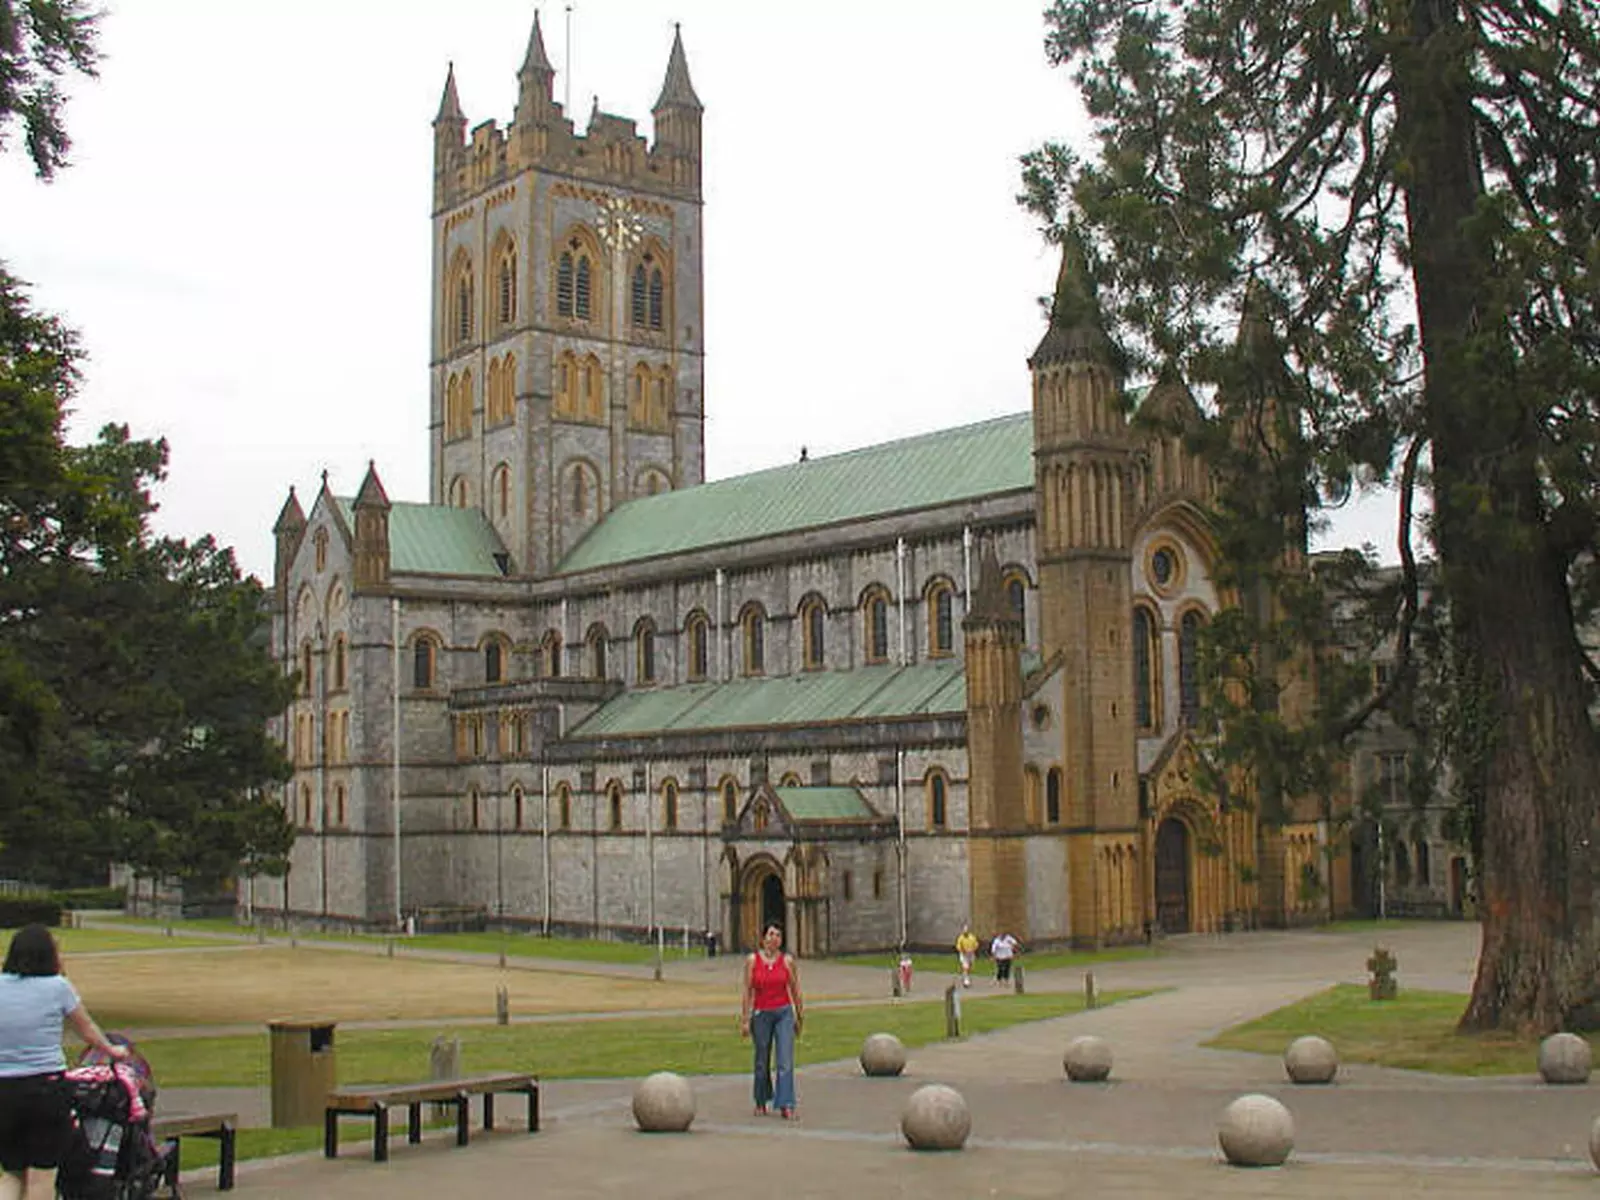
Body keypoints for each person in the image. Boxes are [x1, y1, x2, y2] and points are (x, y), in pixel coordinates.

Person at [0, 924, 128, 1200]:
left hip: (5, 1090)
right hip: (46, 1088)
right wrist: (112, 1050)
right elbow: (86, 1029)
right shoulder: (58, 987)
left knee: (12, 1172)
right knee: (42, 1174)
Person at [738, 922, 804, 1119]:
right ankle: (761, 1100)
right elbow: (747, 991)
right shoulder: (752, 960)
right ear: (763, 938)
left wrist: (800, 1015)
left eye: (778, 935)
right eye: (770, 934)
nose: (773, 938)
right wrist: (744, 1018)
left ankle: (786, 1104)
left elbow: (795, 989)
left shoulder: (787, 961)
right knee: (761, 1060)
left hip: (783, 1012)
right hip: (761, 1014)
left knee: (785, 1060)